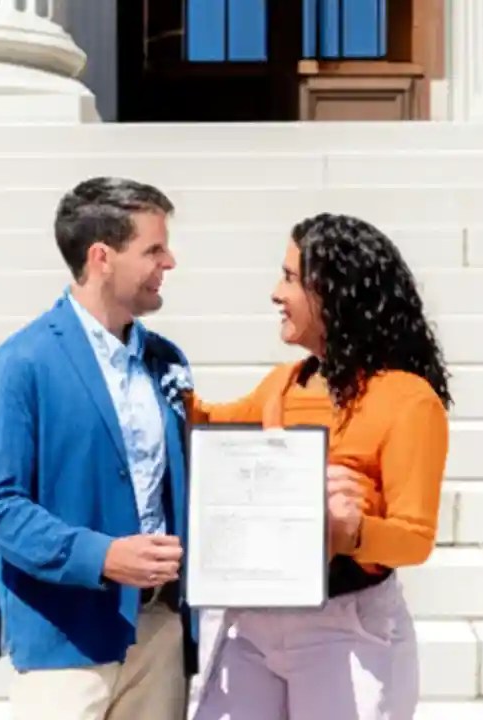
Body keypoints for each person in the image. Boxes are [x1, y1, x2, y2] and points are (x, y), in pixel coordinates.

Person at [188, 212, 452, 720]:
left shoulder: (408, 400)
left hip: (347, 626)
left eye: (289, 278)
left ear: (334, 293)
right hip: (256, 622)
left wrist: (351, 531)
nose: (274, 292)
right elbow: (206, 424)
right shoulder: (283, 385)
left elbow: (415, 537)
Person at [0, 177, 199, 720]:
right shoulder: (22, 362)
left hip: (160, 635)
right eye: (153, 249)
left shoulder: (166, 360)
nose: (169, 261)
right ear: (102, 257)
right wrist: (104, 557)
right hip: (63, 640)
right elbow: (2, 510)